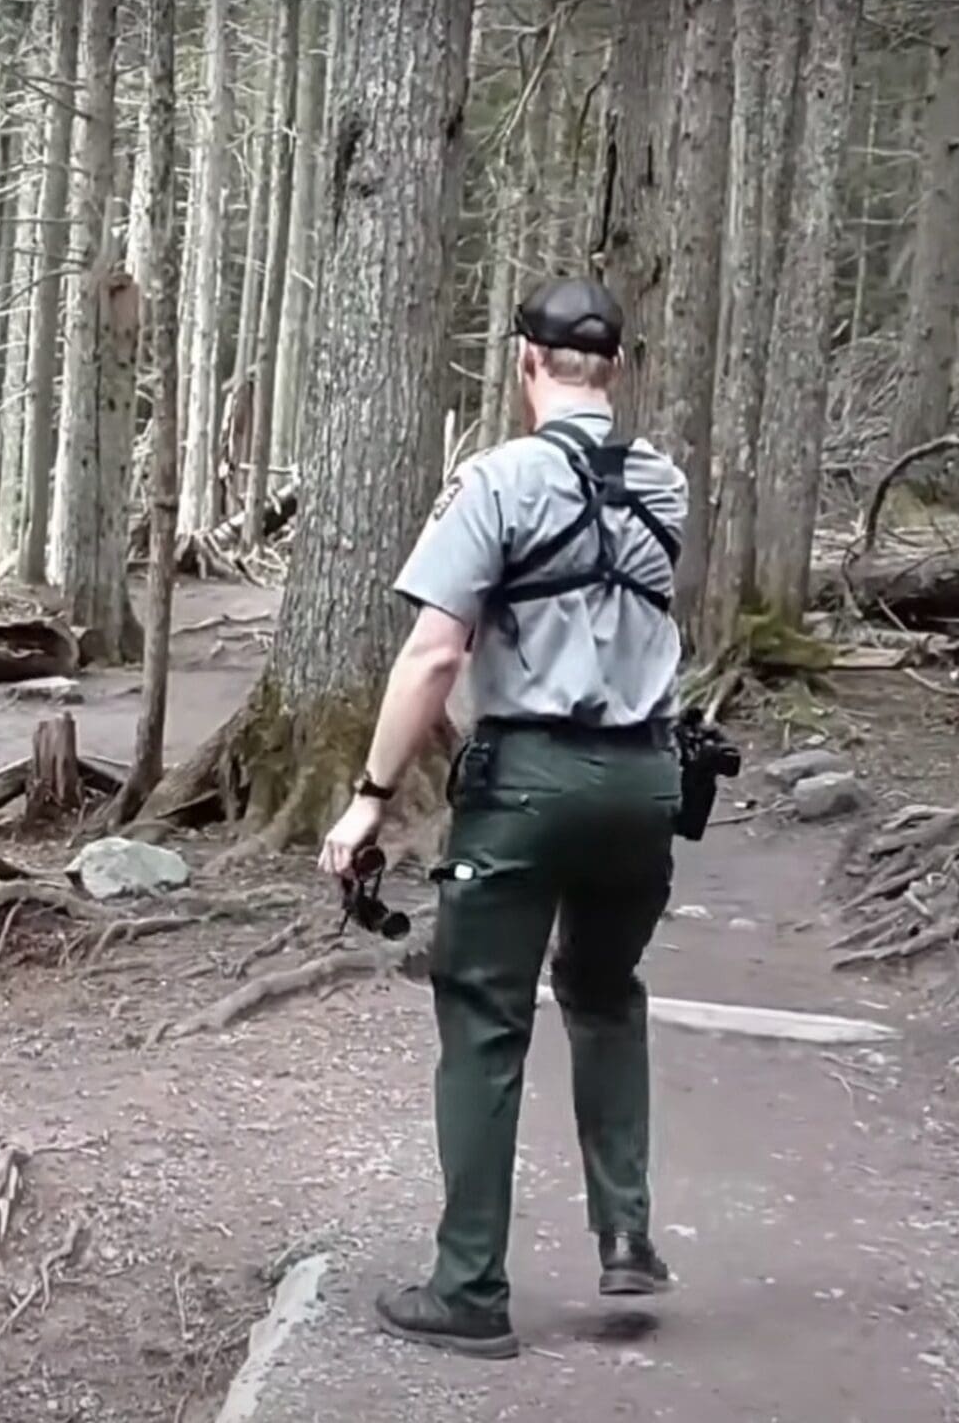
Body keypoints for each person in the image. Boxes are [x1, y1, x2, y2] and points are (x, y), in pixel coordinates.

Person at [316, 278, 690, 1360]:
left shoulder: (496, 481)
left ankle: (469, 1289)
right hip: (645, 785)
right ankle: (625, 1232)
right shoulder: (665, 484)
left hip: (528, 780)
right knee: (605, 989)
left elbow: (436, 651)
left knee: (483, 1017)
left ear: (524, 360)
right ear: (609, 369)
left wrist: (370, 796)